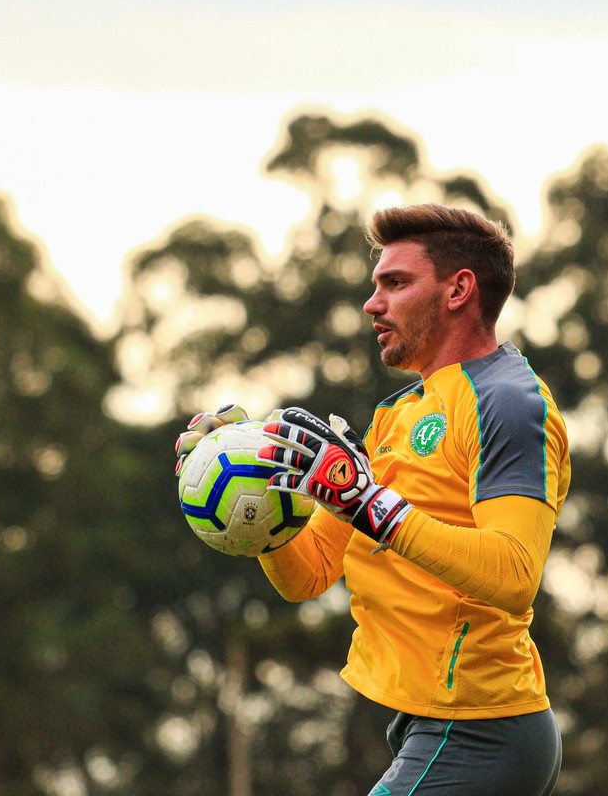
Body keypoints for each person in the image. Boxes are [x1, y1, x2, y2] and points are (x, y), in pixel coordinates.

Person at [176, 204, 571, 795]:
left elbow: (514, 573)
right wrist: (259, 501)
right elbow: (308, 575)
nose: (373, 303)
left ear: (459, 290)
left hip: (481, 730)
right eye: (375, 284)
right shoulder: (395, 416)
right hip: (428, 725)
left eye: (396, 282)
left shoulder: (509, 402)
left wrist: (367, 503)